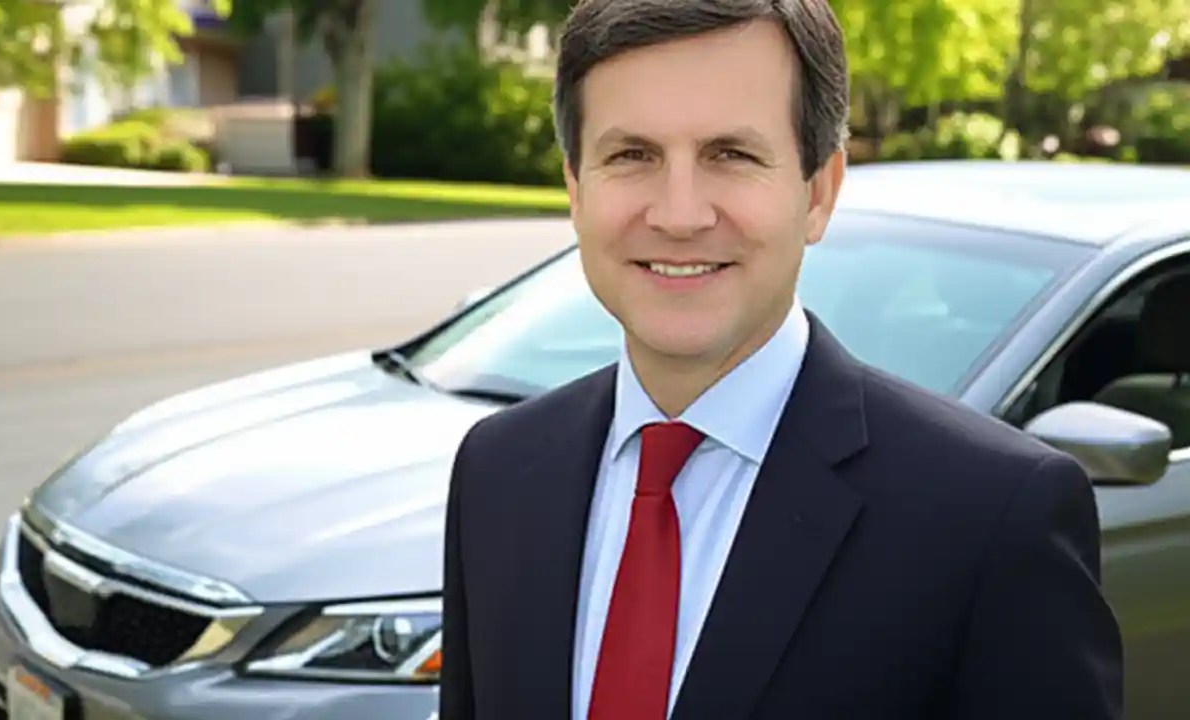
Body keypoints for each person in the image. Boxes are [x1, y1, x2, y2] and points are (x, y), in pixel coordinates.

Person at [440, 1, 1124, 718]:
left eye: (730, 155)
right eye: (632, 156)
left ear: (820, 192)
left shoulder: (991, 517)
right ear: (576, 189)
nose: (679, 214)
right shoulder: (499, 472)